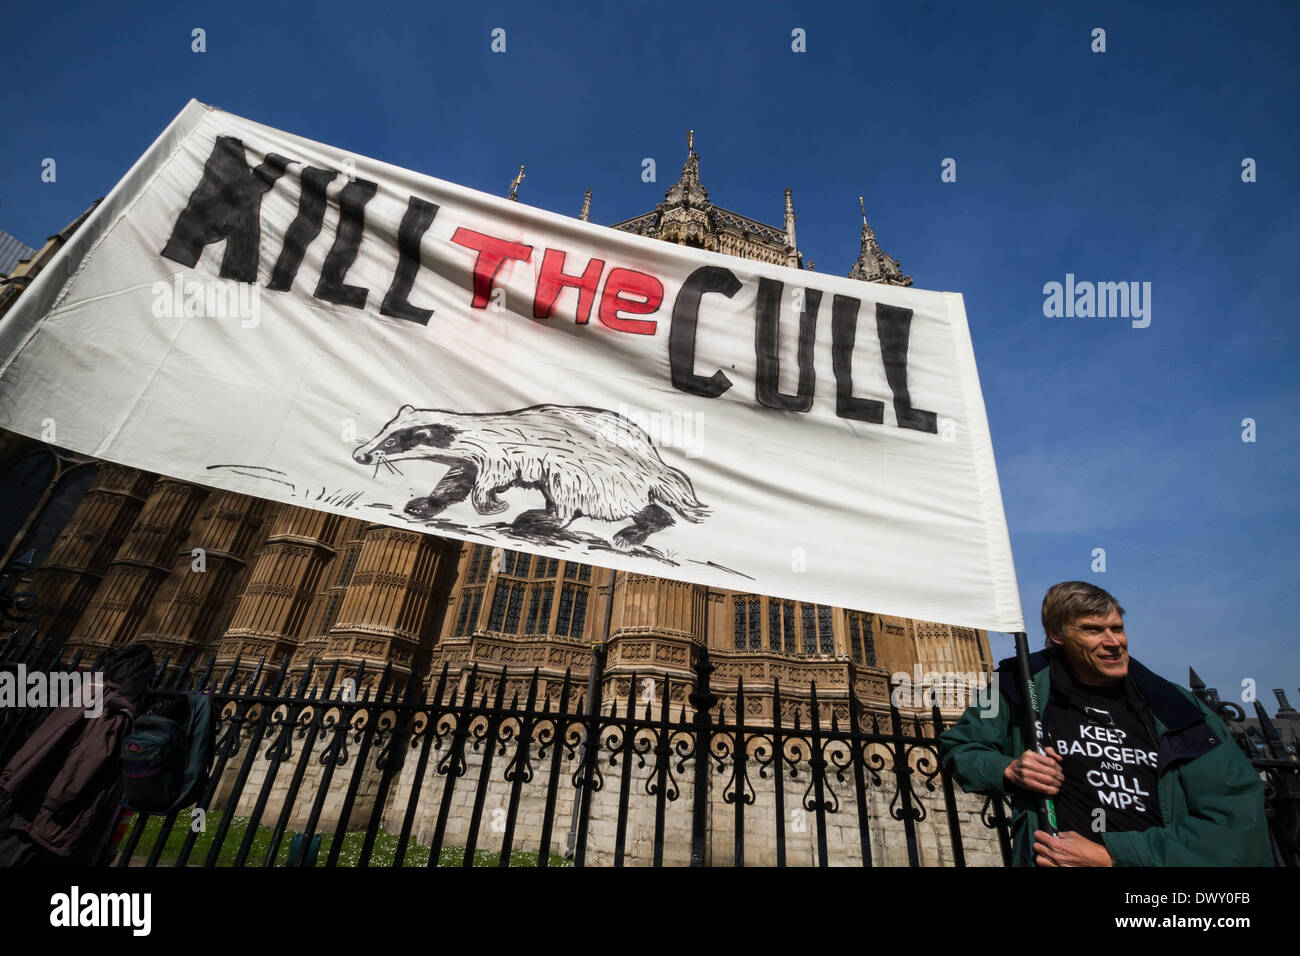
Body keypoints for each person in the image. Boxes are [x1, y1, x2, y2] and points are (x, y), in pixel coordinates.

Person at [939, 581, 1274, 866]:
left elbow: (1237, 822)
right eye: (1093, 630)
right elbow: (961, 747)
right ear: (1057, 634)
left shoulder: (1178, 706)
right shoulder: (1014, 687)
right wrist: (1009, 770)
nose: (1113, 642)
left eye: (1117, 628)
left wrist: (1110, 855)